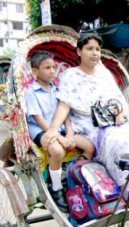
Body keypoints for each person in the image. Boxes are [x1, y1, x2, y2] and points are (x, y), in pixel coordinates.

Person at [41, 33, 129, 193]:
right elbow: (65, 105)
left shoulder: (105, 74)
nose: (95, 53)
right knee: (118, 142)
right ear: (79, 51)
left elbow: (117, 98)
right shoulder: (70, 75)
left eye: (98, 49)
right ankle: (127, 191)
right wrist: (53, 129)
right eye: (89, 49)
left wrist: (119, 113)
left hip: (113, 121)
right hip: (88, 125)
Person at [24, 50, 95, 212]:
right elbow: (39, 119)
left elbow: (66, 114)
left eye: (53, 67)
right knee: (57, 151)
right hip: (41, 130)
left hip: (61, 128)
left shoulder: (58, 90)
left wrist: (69, 134)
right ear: (35, 71)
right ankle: (55, 188)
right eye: (47, 68)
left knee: (89, 147)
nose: (52, 71)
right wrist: (60, 138)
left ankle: (71, 177)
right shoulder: (31, 93)